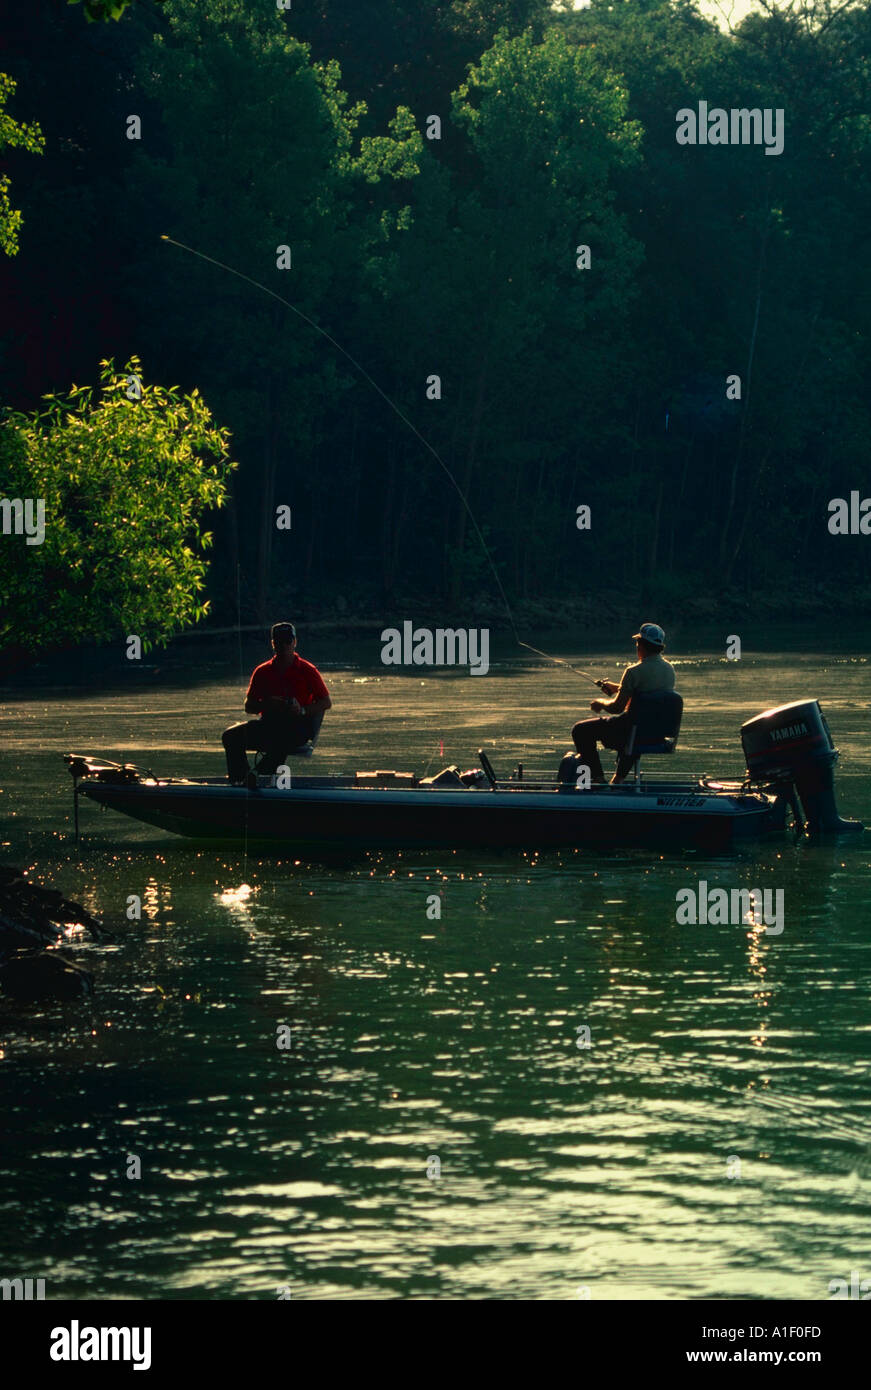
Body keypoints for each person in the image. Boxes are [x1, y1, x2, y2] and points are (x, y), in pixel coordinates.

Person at [222, 622, 332, 785]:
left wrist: (301, 710)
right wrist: (266, 704)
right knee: (230, 736)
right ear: (273, 643)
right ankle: (241, 779)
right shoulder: (262, 671)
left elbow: (325, 702)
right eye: (279, 641)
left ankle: (258, 775)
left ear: (295, 642)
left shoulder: (307, 670)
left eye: (288, 641)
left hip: (297, 727)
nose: (284, 645)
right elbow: (249, 705)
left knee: (282, 737)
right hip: (269, 724)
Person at [570, 623, 675, 785]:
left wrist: (600, 703)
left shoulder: (633, 671)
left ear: (640, 645)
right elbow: (647, 694)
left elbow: (616, 708)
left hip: (631, 731)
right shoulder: (669, 670)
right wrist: (617, 688)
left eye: (637, 643)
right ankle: (618, 780)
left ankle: (598, 780)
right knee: (635, 729)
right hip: (655, 733)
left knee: (580, 730)